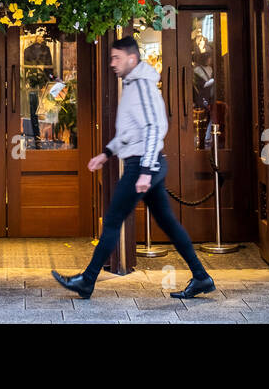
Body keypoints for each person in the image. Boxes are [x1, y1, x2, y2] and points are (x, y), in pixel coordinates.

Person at [52, 36, 214, 300]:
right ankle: (201, 277)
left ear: (132, 58)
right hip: (142, 162)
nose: (112, 63)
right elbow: (130, 132)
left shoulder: (140, 86)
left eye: (116, 58)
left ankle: (87, 280)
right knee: (169, 224)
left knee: (113, 220)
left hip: (142, 163)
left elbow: (153, 128)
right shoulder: (131, 85)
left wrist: (146, 171)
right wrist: (106, 153)